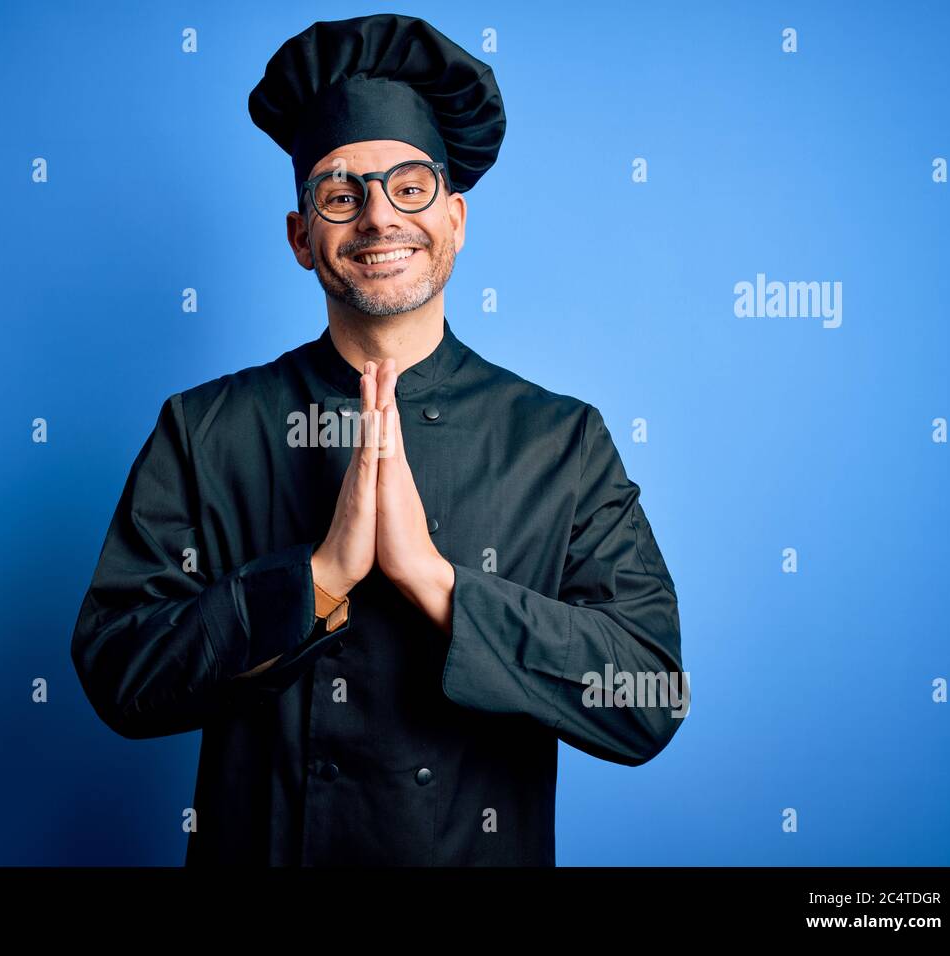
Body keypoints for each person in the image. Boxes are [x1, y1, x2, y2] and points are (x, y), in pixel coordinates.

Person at [70, 13, 686, 866]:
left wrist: (435, 581)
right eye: (339, 194)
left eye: (410, 186)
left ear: (455, 219)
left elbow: (649, 697)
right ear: (301, 238)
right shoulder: (205, 429)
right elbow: (118, 672)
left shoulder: (561, 441)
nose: (378, 218)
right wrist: (317, 578)